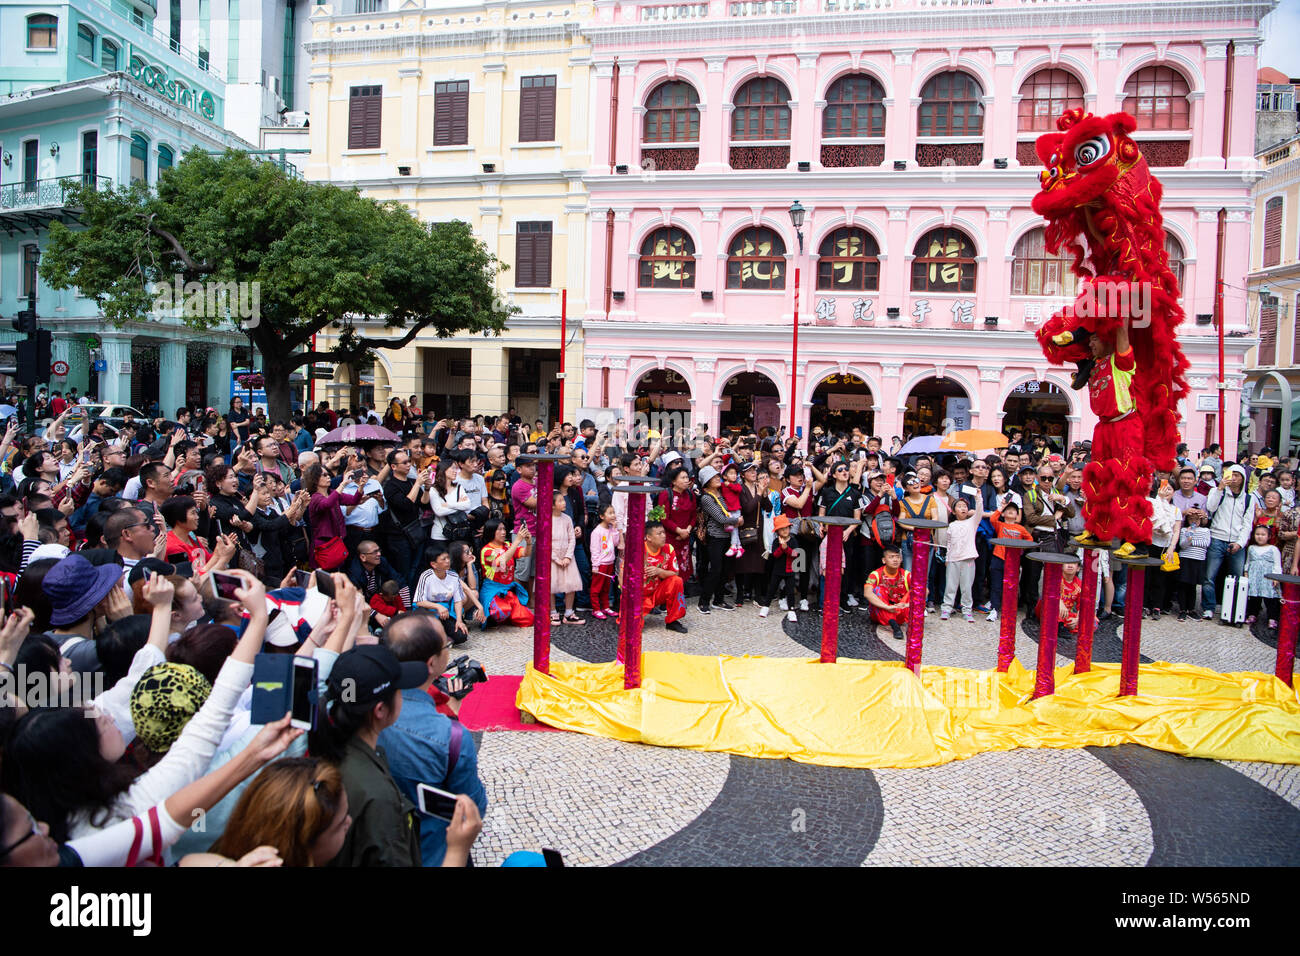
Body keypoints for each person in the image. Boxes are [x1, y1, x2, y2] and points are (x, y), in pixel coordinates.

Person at [378, 612, 487, 867]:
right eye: (446, 646)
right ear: (431, 664)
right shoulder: (450, 738)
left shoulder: (359, 707)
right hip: (434, 853)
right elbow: (472, 810)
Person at [310, 643, 429, 867]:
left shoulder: (329, 744)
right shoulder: (378, 797)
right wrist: (457, 849)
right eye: (399, 690)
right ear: (380, 710)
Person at [1201, 465, 1253, 621]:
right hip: (1217, 538)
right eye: (1232, 474)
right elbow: (1210, 507)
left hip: (1236, 542)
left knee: (1237, 577)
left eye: (1238, 475)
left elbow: (1247, 524)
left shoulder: (1248, 498)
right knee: (1209, 576)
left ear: (1243, 478)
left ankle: (1233, 608)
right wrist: (1219, 488)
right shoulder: (1218, 492)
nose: (1234, 478)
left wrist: (1240, 543)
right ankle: (1208, 607)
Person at [479, 518, 533, 628]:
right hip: (492, 589)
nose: (503, 532)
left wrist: (528, 542)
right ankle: (495, 615)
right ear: (491, 531)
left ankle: (507, 614)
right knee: (502, 610)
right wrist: (517, 541)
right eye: (499, 529)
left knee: (528, 619)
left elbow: (525, 553)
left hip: (507, 590)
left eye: (504, 529)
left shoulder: (508, 545)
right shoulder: (486, 550)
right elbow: (501, 561)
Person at [412, 550, 470, 645]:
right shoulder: (426, 576)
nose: (447, 561)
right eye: (443, 559)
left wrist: (459, 620)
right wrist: (438, 607)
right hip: (427, 611)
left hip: (445, 613)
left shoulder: (454, 576)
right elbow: (419, 601)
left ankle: (441, 635)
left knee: (461, 636)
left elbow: (458, 601)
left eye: (448, 558)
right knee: (423, 638)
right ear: (434, 564)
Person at [987, 500, 1031, 623]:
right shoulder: (1000, 525)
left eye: (1014, 510)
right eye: (1008, 510)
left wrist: (1020, 549)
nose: (1011, 511)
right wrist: (1001, 508)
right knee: (996, 585)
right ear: (1004, 514)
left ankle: (1009, 610)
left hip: (1013, 561)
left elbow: (1030, 539)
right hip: (998, 557)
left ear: (1017, 515)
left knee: (1011, 586)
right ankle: (994, 609)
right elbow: (992, 519)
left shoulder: (1020, 528)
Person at [941, 492, 983, 622]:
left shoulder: (972, 523)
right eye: (959, 506)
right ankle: (946, 609)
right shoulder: (952, 525)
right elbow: (949, 544)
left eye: (964, 506)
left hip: (968, 559)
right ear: (953, 511)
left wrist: (978, 498)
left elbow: (980, 512)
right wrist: (947, 559)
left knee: (966, 587)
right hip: (953, 559)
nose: (963, 508)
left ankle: (967, 610)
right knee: (950, 586)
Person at [641, 521, 687, 633]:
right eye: (659, 533)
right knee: (629, 627)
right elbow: (622, 575)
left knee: (677, 581)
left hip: (657, 592)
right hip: (638, 596)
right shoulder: (637, 550)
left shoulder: (668, 549)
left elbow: (675, 573)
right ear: (648, 537)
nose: (664, 536)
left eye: (664, 532)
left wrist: (659, 571)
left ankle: (672, 621)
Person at [549, 491, 584, 625]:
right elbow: (545, 542)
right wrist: (555, 558)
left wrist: (568, 557)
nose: (564, 503)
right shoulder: (547, 520)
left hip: (567, 556)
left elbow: (572, 539)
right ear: (552, 505)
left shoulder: (567, 519)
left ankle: (569, 612)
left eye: (563, 500)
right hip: (552, 557)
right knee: (551, 586)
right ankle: (553, 612)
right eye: (560, 501)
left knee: (571, 584)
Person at [863, 545, 910, 640]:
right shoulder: (875, 574)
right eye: (891, 557)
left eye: (897, 557)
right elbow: (867, 593)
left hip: (900, 610)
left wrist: (906, 604)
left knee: (916, 591)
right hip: (882, 611)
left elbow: (925, 591)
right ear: (884, 560)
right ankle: (894, 626)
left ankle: (897, 623)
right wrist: (887, 607)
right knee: (878, 589)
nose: (895, 560)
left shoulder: (906, 574)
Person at [758, 514, 799, 622]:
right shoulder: (776, 542)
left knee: (790, 591)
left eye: (786, 528)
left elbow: (796, 554)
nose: (785, 531)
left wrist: (787, 548)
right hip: (777, 570)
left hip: (790, 570)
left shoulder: (793, 541)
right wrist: (782, 548)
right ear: (777, 532)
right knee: (771, 589)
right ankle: (766, 607)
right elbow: (775, 555)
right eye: (782, 529)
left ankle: (791, 610)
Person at [1175, 510, 1211, 621]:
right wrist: (1189, 538)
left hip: (1198, 560)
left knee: (1193, 585)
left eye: (1196, 519)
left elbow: (1206, 544)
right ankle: (1182, 609)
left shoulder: (1205, 531)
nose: (1194, 521)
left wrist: (1192, 541)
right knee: (1183, 584)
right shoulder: (1184, 530)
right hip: (1185, 559)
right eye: (1191, 519)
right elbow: (1183, 545)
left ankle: (1191, 609)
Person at [1243, 524, 1282, 629]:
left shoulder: (1273, 549)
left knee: (1270, 599)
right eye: (1257, 534)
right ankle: (1252, 615)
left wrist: (1276, 577)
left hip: (1268, 578)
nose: (1260, 537)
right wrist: (1246, 573)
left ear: (1269, 536)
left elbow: (1277, 565)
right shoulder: (1251, 548)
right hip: (1254, 577)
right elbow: (1248, 562)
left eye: (1263, 534)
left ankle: (1272, 618)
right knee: (1254, 597)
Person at [588, 503, 620, 620]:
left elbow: (616, 543)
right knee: (596, 588)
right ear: (602, 516)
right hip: (600, 564)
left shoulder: (611, 529)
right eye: (610, 513)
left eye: (613, 512)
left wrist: (616, 529)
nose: (613, 515)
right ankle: (596, 609)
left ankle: (605, 607)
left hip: (610, 562)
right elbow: (594, 550)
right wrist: (595, 565)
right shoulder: (597, 532)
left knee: (606, 587)